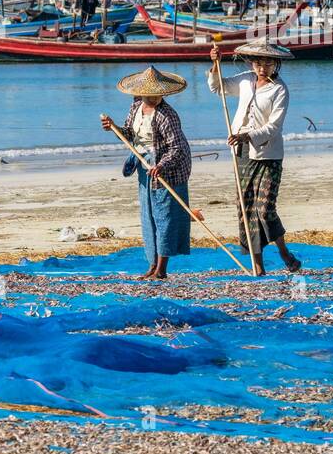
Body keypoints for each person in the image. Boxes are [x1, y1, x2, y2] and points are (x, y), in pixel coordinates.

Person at [208, 40, 300, 276]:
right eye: (258, 62)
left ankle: (283, 252)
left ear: (275, 64)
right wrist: (214, 65)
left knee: (265, 208)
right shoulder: (246, 80)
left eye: (268, 63)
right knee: (246, 207)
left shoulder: (280, 89)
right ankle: (257, 264)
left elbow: (274, 127)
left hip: (268, 154)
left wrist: (247, 136)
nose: (262, 67)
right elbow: (219, 87)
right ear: (252, 62)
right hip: (241, 153)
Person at [100, 66, 193, 280]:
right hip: (144, 164)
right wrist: (113, 127)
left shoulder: (166, 115)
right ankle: (152, 265)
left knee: (165, 216)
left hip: (168, 169)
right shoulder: (135, 108)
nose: (152, 97)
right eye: (148, 94)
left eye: (156, 94)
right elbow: (129, 134)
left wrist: (161, 165)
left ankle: (161, 269)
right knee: (148, 214)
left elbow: (176, 148)